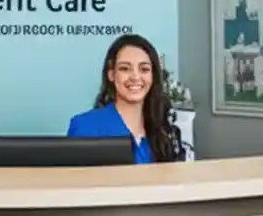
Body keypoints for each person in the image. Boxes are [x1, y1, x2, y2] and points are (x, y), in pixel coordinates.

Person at [67, 33, 180, 164]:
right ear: (111, 74)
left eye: (144, 69)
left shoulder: (164, 129)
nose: (135, 77)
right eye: (125, 69)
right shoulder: (85, 126)